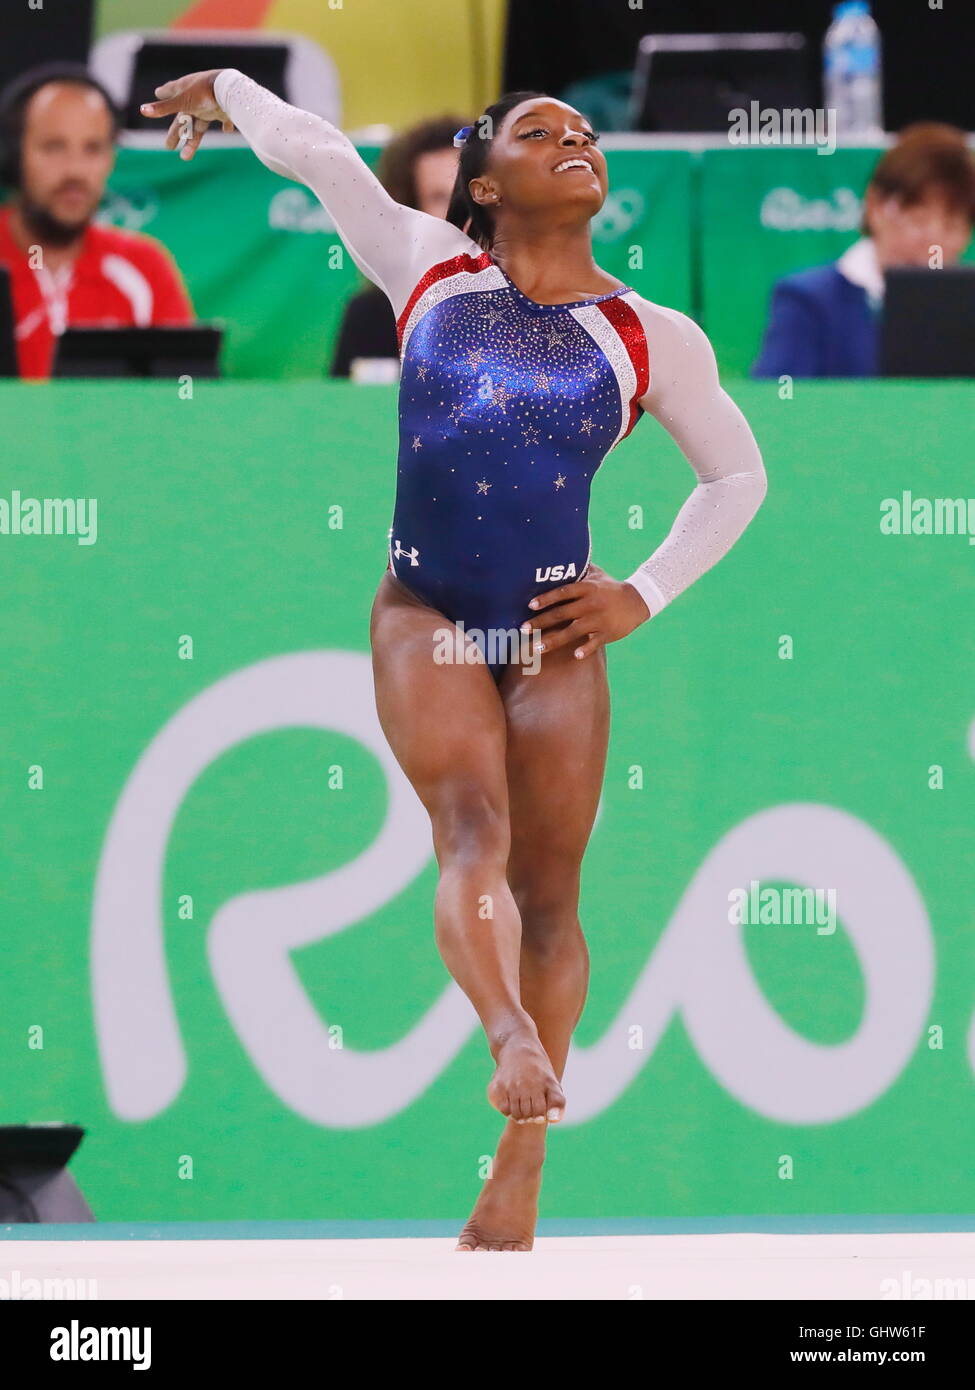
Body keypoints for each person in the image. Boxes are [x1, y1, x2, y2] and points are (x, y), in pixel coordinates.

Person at [142, 69, 767, 1252]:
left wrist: (643, 592)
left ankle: (523, 1156)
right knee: (471, 826)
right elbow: (318, 150)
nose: (576, 137)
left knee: (552, 893)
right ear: (484, 184)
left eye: (584, 130)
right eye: (541, 130)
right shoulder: (428, 264)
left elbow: (737, 475)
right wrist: (228, 87)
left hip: (551, 630)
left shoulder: (650, 335)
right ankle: (507, 1034)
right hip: (423, 607)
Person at [0, 63, 194, 379]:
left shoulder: (145, 267)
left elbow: (180, 398)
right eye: (54, 147)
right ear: (12, 156)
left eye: (93, 148)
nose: (75, 171)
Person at [753, 123, 975, 379]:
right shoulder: (807, 300)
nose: (934, 240)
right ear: (875, 206)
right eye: (918, 219)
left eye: (952, 225)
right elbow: (774, 396)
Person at [329, 115, 464, 377]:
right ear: (409, 210)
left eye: (467, 193)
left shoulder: (530, 304)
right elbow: (344, 401)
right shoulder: (371, 315)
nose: (460, 211)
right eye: (439, 198)